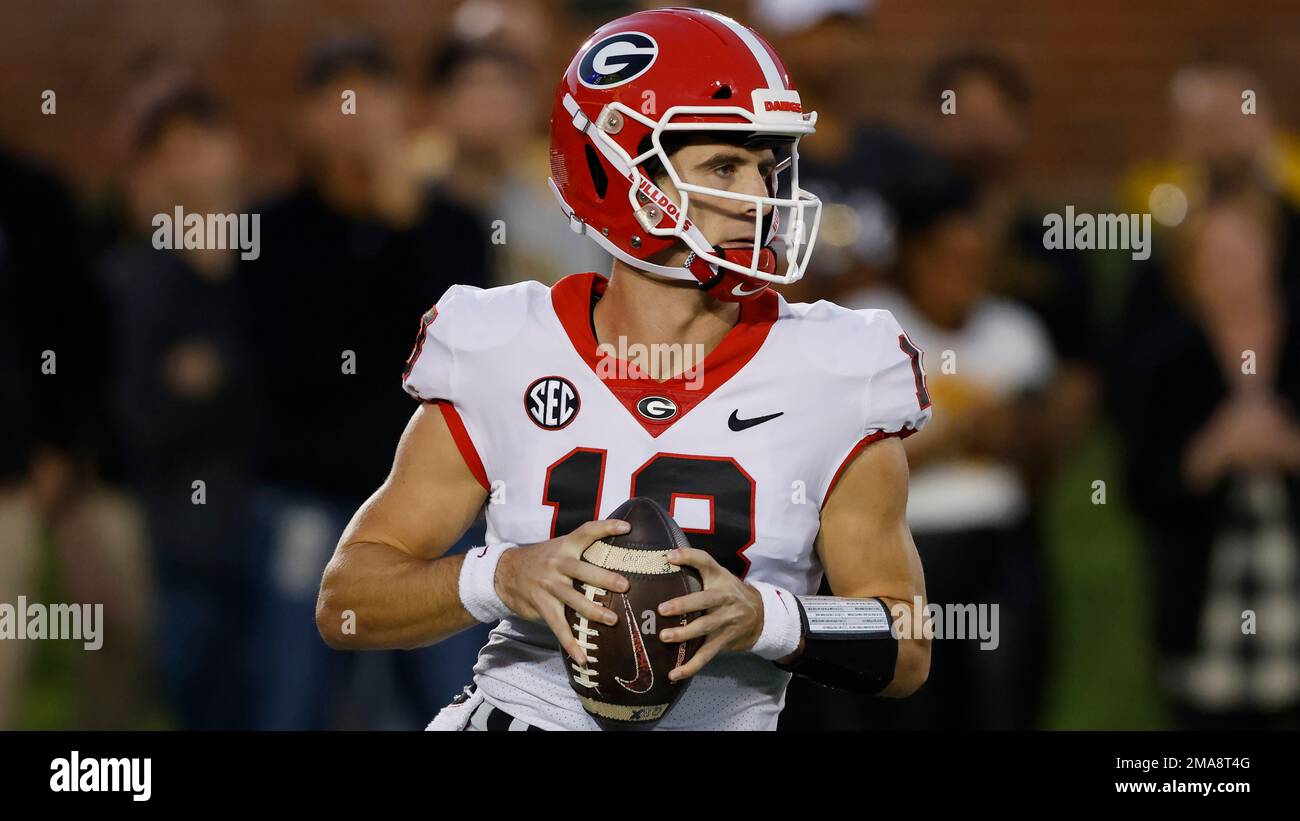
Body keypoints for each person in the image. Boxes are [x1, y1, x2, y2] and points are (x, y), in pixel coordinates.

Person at [316, 7, 933, 731]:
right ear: (621, 172)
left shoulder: (834, 368)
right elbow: (347, 600)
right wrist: (500, 575)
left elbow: (908, 641)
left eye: (768, 168)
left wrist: (767, 616)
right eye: (725, 166)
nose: (762, 198)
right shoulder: (505, 346)